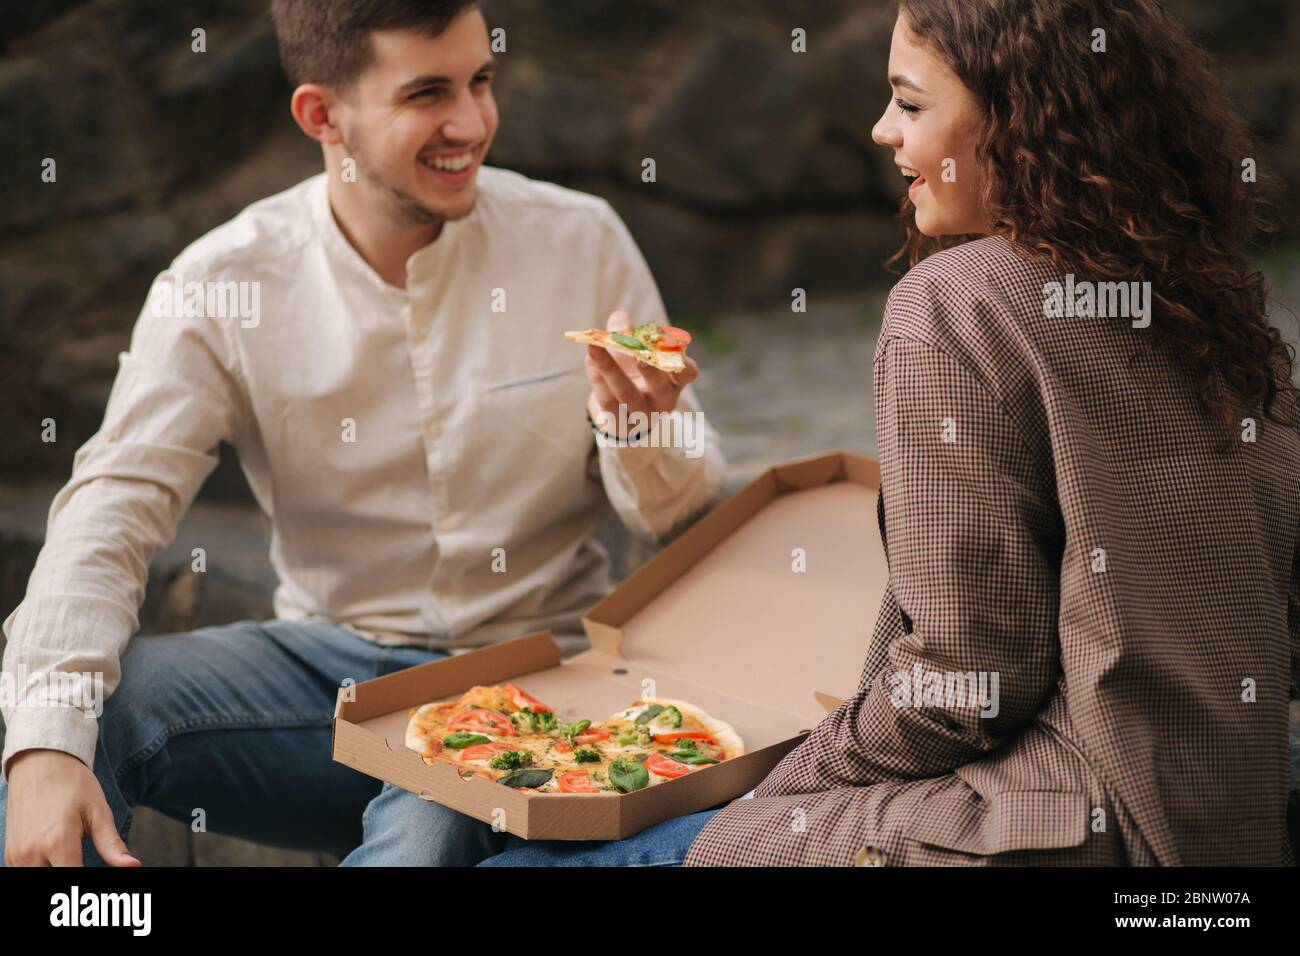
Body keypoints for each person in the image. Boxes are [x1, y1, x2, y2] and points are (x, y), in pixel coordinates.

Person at [480, 0, 1300, 867]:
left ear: (1024, 117)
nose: (880, 130)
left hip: (1066, 823)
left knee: (536, 857)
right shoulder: (1208, 299)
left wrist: (783, 782)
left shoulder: (951, 306)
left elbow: (963, 687)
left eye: (910, 105)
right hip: (1224, 823)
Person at [0, 0, 725, 867]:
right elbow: (115, 501)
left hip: (530, 678)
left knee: (420, 841)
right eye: (427, 94)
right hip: (321, 682)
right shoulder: (223, 282)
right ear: (321, 115)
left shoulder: (580, 241)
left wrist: (643, 426)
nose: (472, 122)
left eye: (480, 81)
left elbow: (683, 511)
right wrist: (45, 739)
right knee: (70, 728)